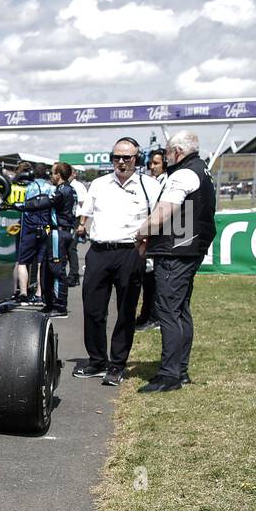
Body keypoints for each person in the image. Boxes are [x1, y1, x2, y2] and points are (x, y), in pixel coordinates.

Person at [73, 137, 162, 387]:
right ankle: (96, 360)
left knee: (125, 310)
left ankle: (117, 364)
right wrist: (82, 229)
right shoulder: (99, 184)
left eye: (127, 157)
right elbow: (87, 215)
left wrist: (146, 247)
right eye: (116, 157)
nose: (121, 162)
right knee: (92, 309)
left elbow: (161, 217)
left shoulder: (150, 185)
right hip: (99, 251)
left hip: (130, 253)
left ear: (137, 159)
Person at [135, 131, 216, 393]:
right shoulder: (202, 170)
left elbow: (162, 214)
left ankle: (169, 375)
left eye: (168, 152)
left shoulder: (182, 174)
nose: (165, 156)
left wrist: (139, 233)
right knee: (181, 311)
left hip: (176, 251)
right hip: (189, 248)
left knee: (169, 311)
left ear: (178, 152)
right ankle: (179, 371)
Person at [12, 161, 77, 318]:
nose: (51, 176)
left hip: (59, 232)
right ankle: (49, 303)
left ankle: (59, 306)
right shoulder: (67, 189)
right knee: (45, 269)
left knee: (56, 270)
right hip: (56, 232)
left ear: (58, 175)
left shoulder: (63, 190)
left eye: (53, 172)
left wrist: (22, 206)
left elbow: (44, 201)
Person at [135, 149, 169, 332]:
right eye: (150, 163)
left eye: (156, 163)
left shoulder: (167, 182)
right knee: (147, 280)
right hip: (149, 235)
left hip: (158, 237)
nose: (152, 167)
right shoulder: (151, 181)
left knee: (153, 282)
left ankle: (154, 317)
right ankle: (146, 313)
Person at [13, 162, 54, 305]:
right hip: (46, 227)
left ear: (33, 174)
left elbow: (20, 206)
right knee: (41, 262)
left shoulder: (27, 188)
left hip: (28, 227)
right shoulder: (52, 189)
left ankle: (23, 293)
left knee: (23, 261)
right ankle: (39, 294)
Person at [66, 166, 89, 287]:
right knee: (68, 249)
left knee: (71, 248)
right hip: (69, 219)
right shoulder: (67, 186)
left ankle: (74, 275)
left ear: (74, 174)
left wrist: (81, 224)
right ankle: (71, 275)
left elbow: (84, 205)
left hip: (76, 219)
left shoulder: (78, 187)